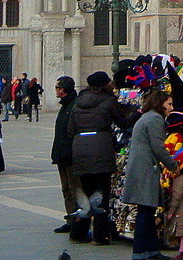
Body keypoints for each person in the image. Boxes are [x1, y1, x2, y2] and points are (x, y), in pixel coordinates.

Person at [67, 71, 135, 245]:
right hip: (101, 148)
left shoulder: (78, 103)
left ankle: (77, 233)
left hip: (80, 147)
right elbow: (123, 123)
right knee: (102, 193)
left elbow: (70, 130)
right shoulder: (108, 101)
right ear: (104, 84)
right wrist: (138, 112)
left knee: (85, 191)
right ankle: (100, 235)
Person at [122, 89, 178, 260]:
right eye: (168, 104)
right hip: (145, 169)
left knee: (147, 210)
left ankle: (152, 250)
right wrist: (173, 165)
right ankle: (140, 251)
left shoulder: (147, 116)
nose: (171, 107)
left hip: (142, 167)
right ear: (160, 104)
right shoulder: (155, 119)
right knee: (145, 212)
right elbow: (158, 147)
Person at [51, 77, 87, 240]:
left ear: (63, 89)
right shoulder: (65, 105)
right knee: (66, 189)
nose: (56, 90)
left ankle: (78, 221)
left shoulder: (73, 106)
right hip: (62, 154)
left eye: (57, 87)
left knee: (75, 188)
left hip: (71, 154)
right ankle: (71, 217)